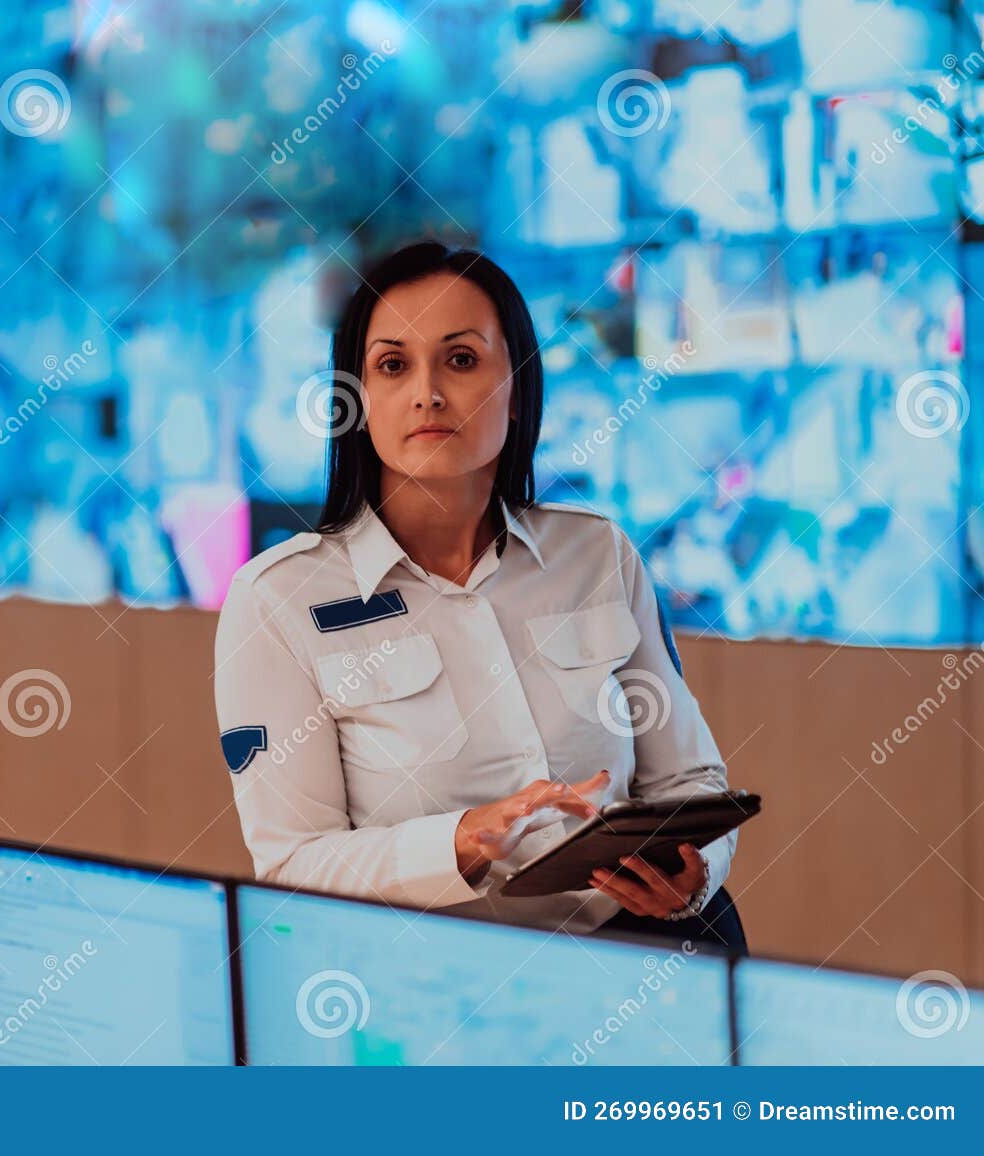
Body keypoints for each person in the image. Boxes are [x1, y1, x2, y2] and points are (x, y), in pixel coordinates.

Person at [213, 241, 746, 950]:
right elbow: (290, 865)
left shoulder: (597, 554)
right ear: (357, 400)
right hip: (436, 994)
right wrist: (459, 843)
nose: (427, 392)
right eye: (392, 365)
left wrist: (694, 877)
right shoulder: (276, 600)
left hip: (634, 960)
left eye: (461, 360)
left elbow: (693, 780)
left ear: (520, 390)